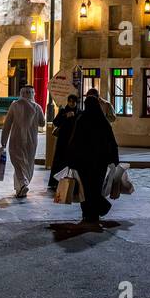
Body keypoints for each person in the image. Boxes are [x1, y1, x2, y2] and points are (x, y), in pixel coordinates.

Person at [54, 91, 120, 227]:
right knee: (96, 186)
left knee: (86, 188)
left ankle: (89, 212)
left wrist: (70, 159)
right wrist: (114, 158)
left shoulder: (82, 119)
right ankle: (95, 212)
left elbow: (74, 140)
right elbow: (112, 141)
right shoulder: (103, 122)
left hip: (83, 162)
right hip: (100, 161)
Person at [0, 85, 45, 198]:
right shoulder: (37, 107)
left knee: (18, 163)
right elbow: (42, 123)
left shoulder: (15, 105)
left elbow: (7, 124)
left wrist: (3, 140)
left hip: (16, 139)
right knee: (27, 164)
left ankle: (23, 183)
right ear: (32, 93)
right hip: (31, 141)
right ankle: (20, 188)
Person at [48, 94, 81, 191]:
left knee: (72, 163)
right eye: (70, 101)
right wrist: (65, 116)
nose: (71, 104)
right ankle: (56, 182)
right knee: (60, 161)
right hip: (63, 141)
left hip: (74, 141)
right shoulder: (63, 111)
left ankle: (73, 183)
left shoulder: (79, 112)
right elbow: (56, 122)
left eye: (73, 102)